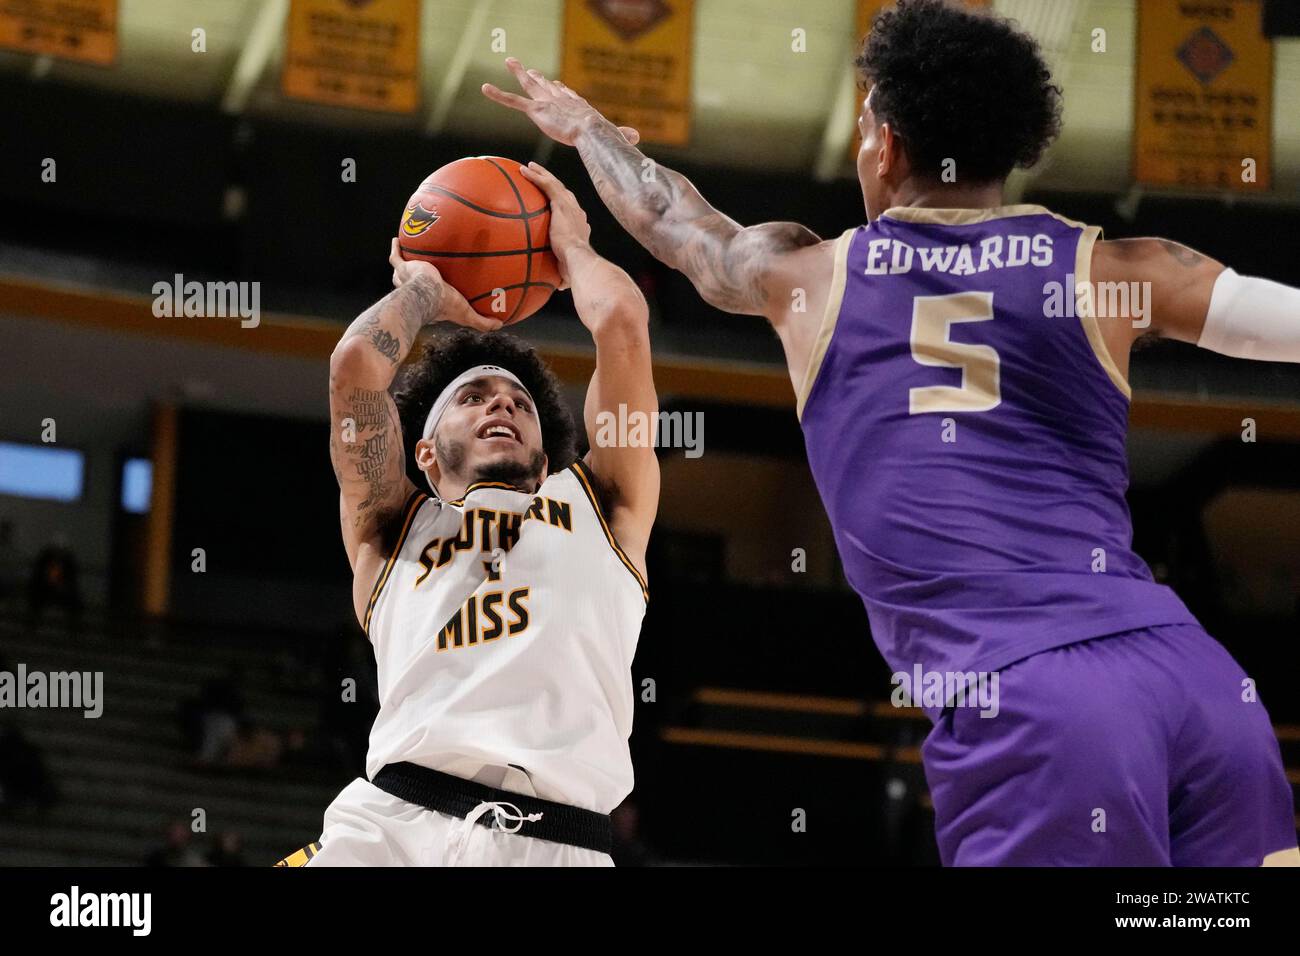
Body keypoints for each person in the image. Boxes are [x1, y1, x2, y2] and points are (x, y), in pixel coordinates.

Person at [482, 0, 1300, 866]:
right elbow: (1272, 321)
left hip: (1038, 705)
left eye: (867, 119)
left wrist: (586, 128)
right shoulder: (1111, 269)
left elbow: (673, 222)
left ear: (887, 144)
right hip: (1202, 687)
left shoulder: (806, 276)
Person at [280, 165, 658, 866]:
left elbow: (623, 323)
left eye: (517, 402)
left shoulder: (605, 508)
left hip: (555, 844)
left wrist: (570, 247)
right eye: (475, 396)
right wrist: (424, 287)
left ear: (547, 462)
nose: (502, 406)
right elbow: (356, 363)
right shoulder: (389, 530)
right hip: (392, 827)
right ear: (424, 452)